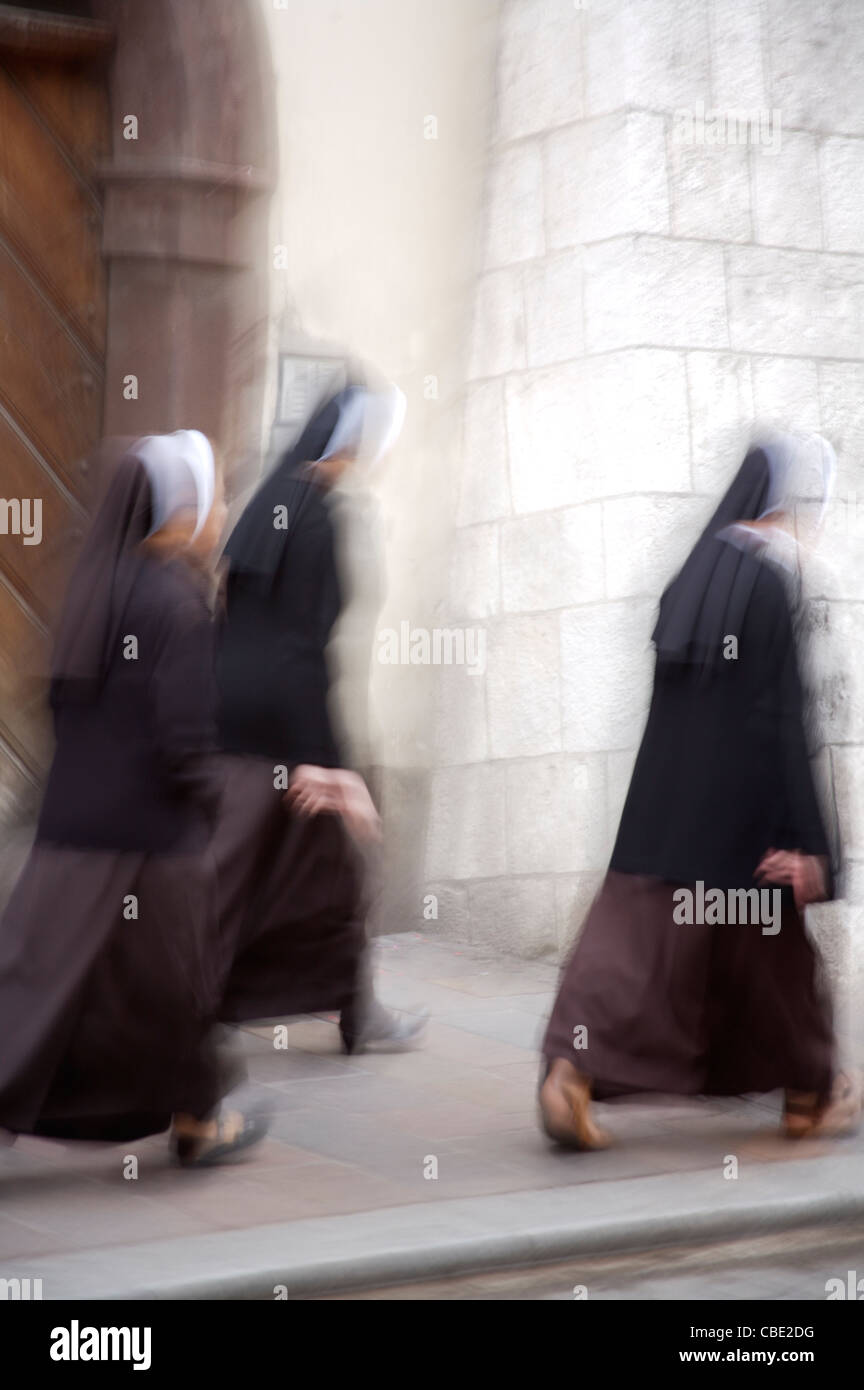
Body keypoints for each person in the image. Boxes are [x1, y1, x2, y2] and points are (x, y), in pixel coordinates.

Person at [540, 433, 859, 1148]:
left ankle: (572, 1070)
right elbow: (783, 721)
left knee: (627, 959)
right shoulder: (771, 584)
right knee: (780, 972)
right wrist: (809, 845)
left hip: (660, 821)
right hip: (747, 831)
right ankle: (813, 1094)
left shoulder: (693, 574)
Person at [0, 432, 268, 1165]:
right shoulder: (176, 602)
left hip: (71, 836)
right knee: (174, 991)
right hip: (150, 842)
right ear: (180, 514)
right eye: (213, 501)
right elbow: (182, 739)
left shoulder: (96, 588)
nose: (220, 517)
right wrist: (218, 800)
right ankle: (196, 1119)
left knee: (34, 989)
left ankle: (194, 1115)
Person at [213, 382, 427, 1052]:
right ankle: (187, 1008)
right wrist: (323, 761)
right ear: (358, 441)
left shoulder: (275, 500)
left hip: (236, 720)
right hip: (285, 728)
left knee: (306, 876)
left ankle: (351, 1008)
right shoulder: (317, 514)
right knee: (319, 871)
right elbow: (300, 647)